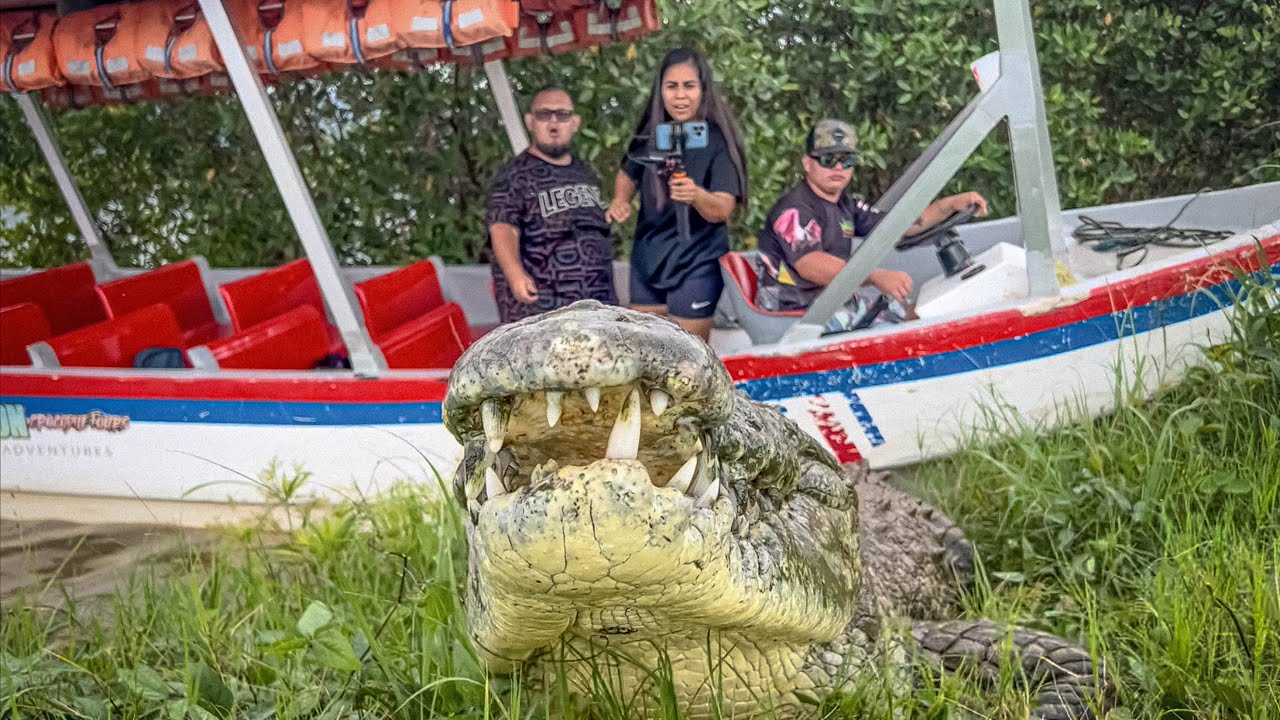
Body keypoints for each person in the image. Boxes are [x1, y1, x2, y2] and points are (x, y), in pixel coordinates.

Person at [756, 119, 989, 333]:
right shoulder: (795, 210)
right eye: (828, 160)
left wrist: (949, 206)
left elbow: (896, 225)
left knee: (911, 315)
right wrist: (875, 276)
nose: (838, 168)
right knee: (901, 328)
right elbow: (810, 264)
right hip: (796, 312)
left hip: (828, 301)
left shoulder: (844, 203)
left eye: (846, 160)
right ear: (808, 164)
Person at [605, 47, 749, 342]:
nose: (680, 96)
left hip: (697, 260)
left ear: (703, 89)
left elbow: (722, 208)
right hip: (648, 257)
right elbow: (626, 173)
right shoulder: (650, 135)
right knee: (645, 353)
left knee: (688, 357)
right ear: (660, 91)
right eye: (672, 87)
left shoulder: (719, 140)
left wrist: (695, 194)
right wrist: (621, 200)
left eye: (689, 86)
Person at [485, 87, 618, 324]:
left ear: (575, 122)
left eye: (562, 115)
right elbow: (503, 228)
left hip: (596, 304)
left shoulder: (583, 171)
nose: (554, 123)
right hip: (543, 308)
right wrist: (515, 274)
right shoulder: (515, 175)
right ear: (530, 121)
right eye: (544, 115)